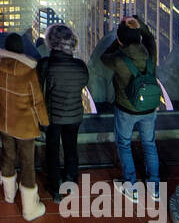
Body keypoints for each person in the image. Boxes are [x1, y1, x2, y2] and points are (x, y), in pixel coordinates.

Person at [0, 32, 51, 221]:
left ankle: (9, 195)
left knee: (8, 154)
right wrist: (44, 122)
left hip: (3, 119)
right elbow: (38, 101)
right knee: (27, 163)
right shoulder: (28, 72)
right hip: (24, 124)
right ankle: (29, 209)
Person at [102, 16, 162, 203]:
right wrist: (136, 23)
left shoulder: (119, 60)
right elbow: (150, 37)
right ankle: (154, 188)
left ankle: (131, 186)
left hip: (126, 109)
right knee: (149, 145)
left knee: (124, 144)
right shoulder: (150, 52)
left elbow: (104, 57)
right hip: (149, 107)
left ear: (121, 39)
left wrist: (118, 41)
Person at [36, 24, 91, 203]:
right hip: (74, 115)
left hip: (52, 116)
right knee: (71, 149)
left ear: (51, 42)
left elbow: (39, 88)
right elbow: (84, 82)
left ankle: (55, 187)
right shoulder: (80, 66)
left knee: (52, 150)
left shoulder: (46, 65)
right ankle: (71, 181)